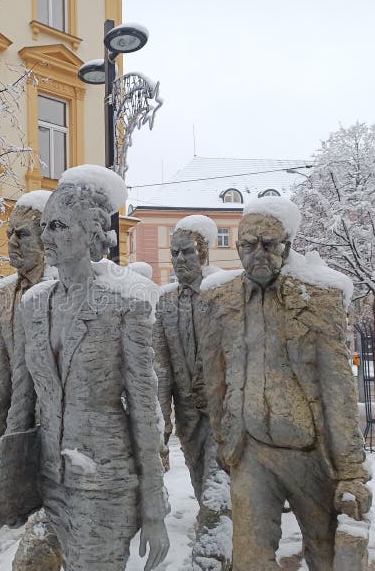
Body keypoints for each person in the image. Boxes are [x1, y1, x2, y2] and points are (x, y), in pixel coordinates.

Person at [5, 164, 169, 571]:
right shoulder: (34, 306)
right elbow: (22, 396)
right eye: (45, 226)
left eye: (58, 226)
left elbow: (145, 412)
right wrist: (8, 462)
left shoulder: (123, 306)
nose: (46, 237)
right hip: (50, 477)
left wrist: (154, 509)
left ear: (91, 233)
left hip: (105, 482)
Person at [200, 198, 371, 571]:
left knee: (324, 554)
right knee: (249, 559)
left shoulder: (319, 301)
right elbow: (214, 383)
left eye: (269, 244)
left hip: (309, 452)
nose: (258, 254)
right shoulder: (218, 301)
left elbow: (338, 390)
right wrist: (224, 441)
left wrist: (351, 472)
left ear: (287, 247)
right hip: (250, 453)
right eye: (248, 245)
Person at [0, 190, 61, 571]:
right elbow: (0, 376)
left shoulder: (69, 288)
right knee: (29, 522)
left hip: (65, 437)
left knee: (43, 546)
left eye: (22, 234)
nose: (11, 242)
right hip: (21, 436)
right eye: (9, 233)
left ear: (46, 237)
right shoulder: (1, 294)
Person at [153, 215, 231, 571]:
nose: (179, 259)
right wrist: (163, 424)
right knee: (200, 476)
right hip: (186, 412)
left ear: (203, 254)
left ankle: (217, 548)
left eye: (186, 252)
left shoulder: (222, 293)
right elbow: (161, 368)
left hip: (222, 412)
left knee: (219, 480)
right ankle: (217, 527)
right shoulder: (164, 302)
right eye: (174, 253)